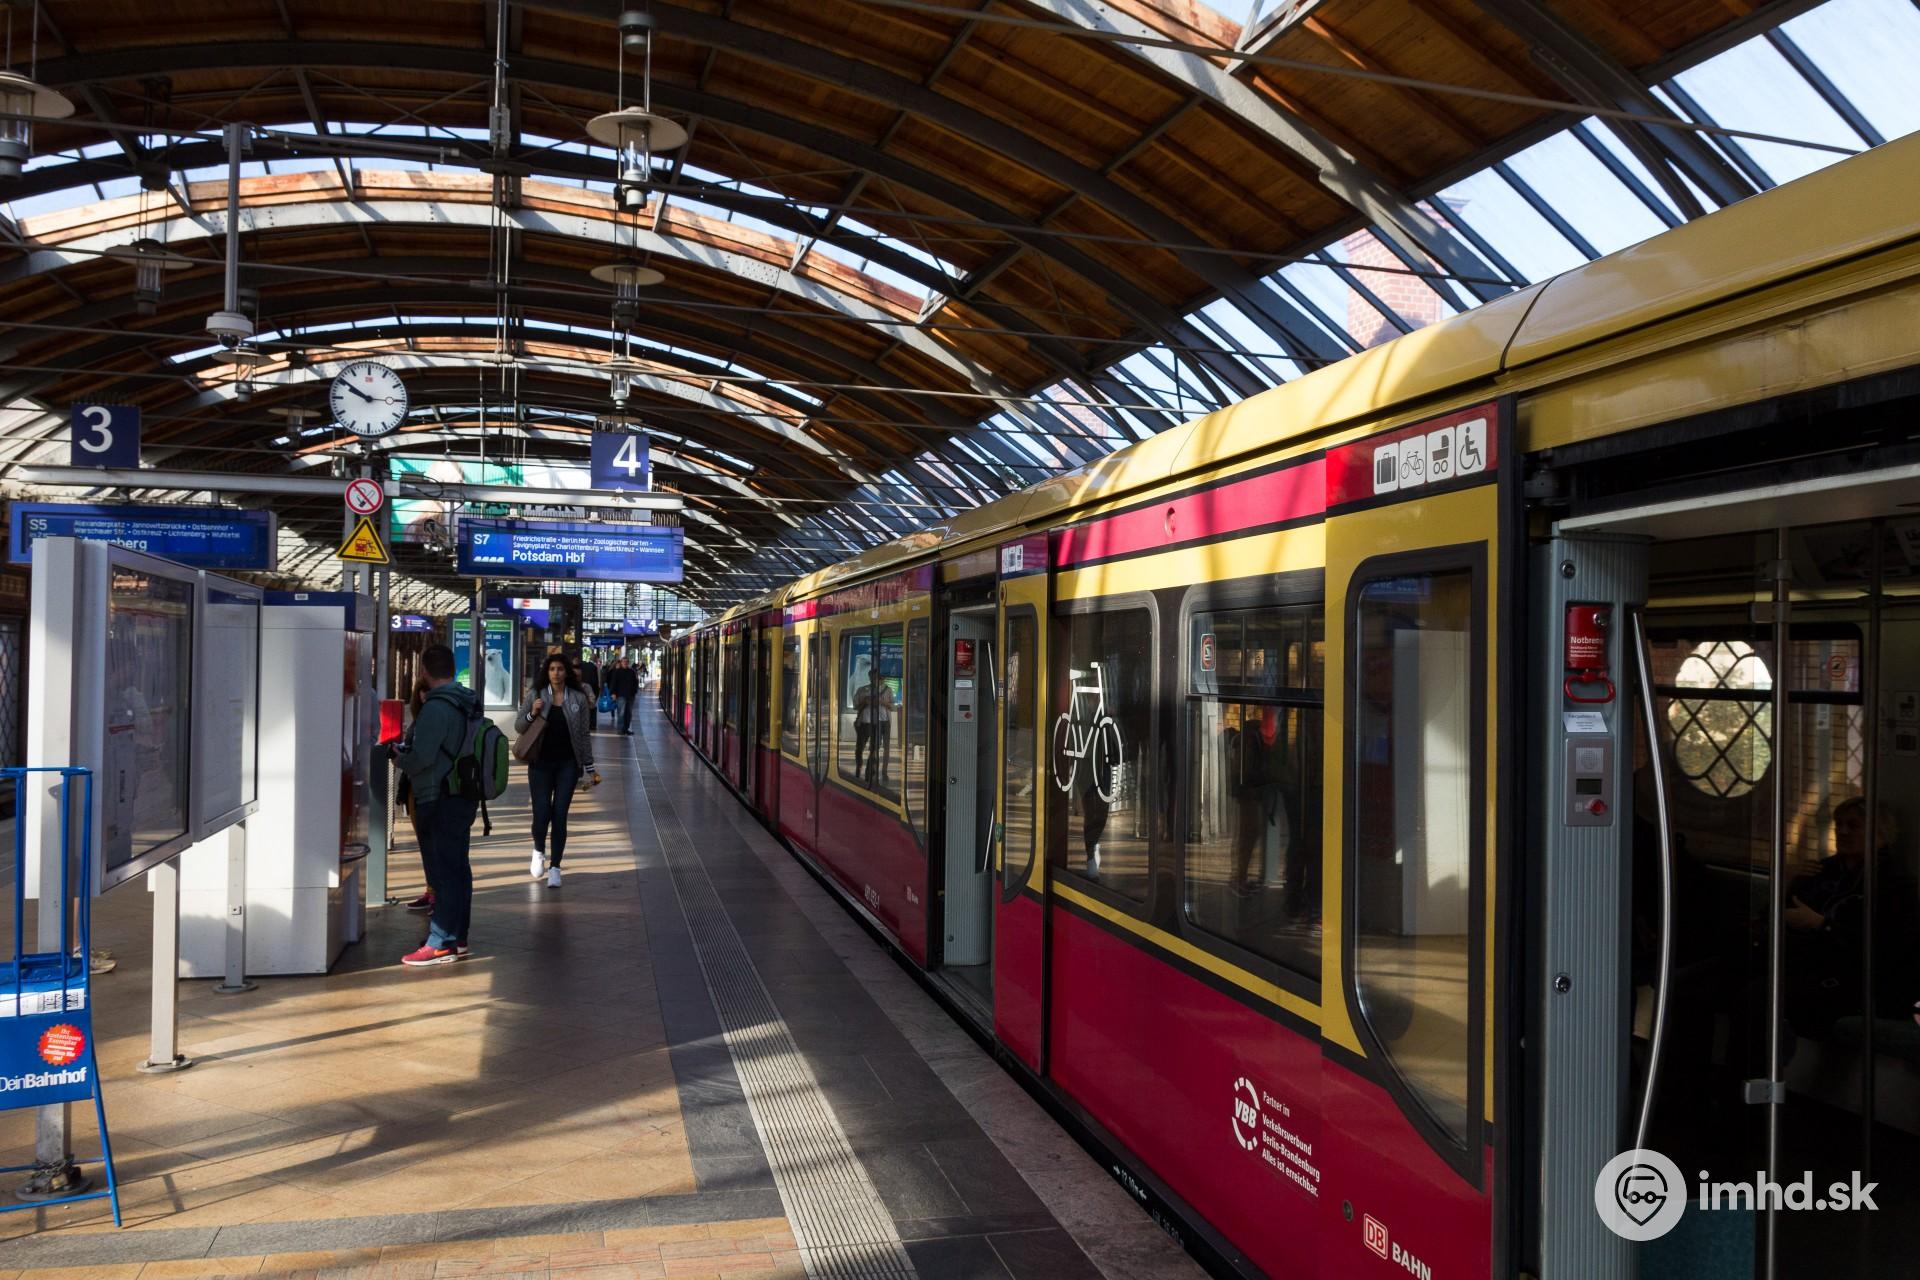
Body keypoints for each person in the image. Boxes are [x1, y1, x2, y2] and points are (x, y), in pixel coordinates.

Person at [390, 644, 482, 966]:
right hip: (464, 793)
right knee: (459, 870)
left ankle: (439, 942)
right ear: (453, 669)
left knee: (444, 873)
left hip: (438, 795)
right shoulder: (467, 702)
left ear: (424, 672)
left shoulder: (436, 708)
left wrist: (400, 757)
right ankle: (458, 936)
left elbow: (421, 759)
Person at [517, 654, 599, 889]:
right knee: (541, 813)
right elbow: (519, 725)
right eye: (552, 669)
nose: (556, 673)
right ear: (547, 671)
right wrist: (533, 712)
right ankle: (538, 850)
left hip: (568, 765)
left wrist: (589, 766)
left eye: (560, 669)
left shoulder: (578, 698)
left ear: (567, 673)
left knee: (560, 814)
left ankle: (556, 867)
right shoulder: (536, 694)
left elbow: (584, 735)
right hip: (540, 764)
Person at [399, 676, 435, 915]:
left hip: (427, 788)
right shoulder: (419, 719)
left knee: (432, 843)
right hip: (414, 788)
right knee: (425, 842)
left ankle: (435, 892)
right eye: (420, 690)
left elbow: (422, 756)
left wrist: (401, 755)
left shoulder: (432, 719)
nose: (423, 695)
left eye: (427, 690)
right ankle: (431, 890)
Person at [859, 664, 895, 789]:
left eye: (874, 678)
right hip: (875, 721)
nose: (873, 680)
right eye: (871, 678)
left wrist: (882, 702)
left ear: (880, 679)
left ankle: (884, 771)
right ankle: (872, 770)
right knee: (875, 747)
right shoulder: (870, 690)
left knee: (886, 747)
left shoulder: (888, 690)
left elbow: (892, 706)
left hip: (886, 721)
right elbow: (865, 703)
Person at [608, 657, 640, 734]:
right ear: (621, 663)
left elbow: (635, 683)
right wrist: (613, 693)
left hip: (630, 695)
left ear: (628, 663)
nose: (625, 663)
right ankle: (620, 729)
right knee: (621, 713)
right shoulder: (617, 672)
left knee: (628, 714)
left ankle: (626, 729)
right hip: (620, 695)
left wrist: (634, 692)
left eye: (626, 661)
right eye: (623, 662)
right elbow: (613, 683)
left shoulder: (631, 672)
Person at [578, 653, 602, 732]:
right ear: (595, 659)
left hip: (582, 688)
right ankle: (592, 724)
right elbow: (595, 680)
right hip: (591, 689)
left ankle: (584, 724)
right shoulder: (594, 667)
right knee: (592, 707)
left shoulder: (583, 665)